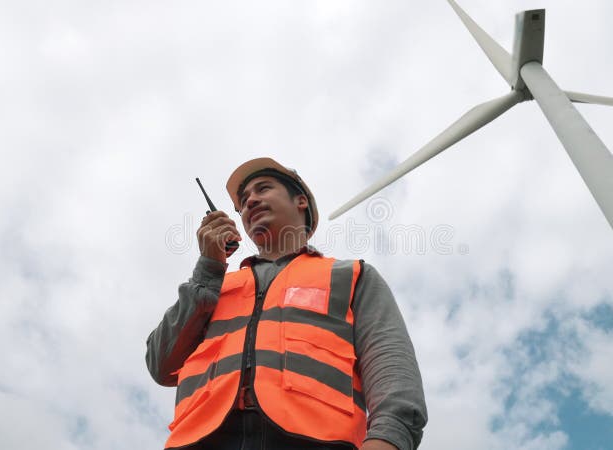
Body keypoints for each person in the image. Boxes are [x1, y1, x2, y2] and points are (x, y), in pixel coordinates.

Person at [146, 157, 427, 450]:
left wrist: (388, 440)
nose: (250, 201)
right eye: (243, 201)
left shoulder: (351, 276)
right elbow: (160, 364)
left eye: (263, 189)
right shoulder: (212, 286)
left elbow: (393, 372)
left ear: (301, 201)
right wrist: (207, 269)